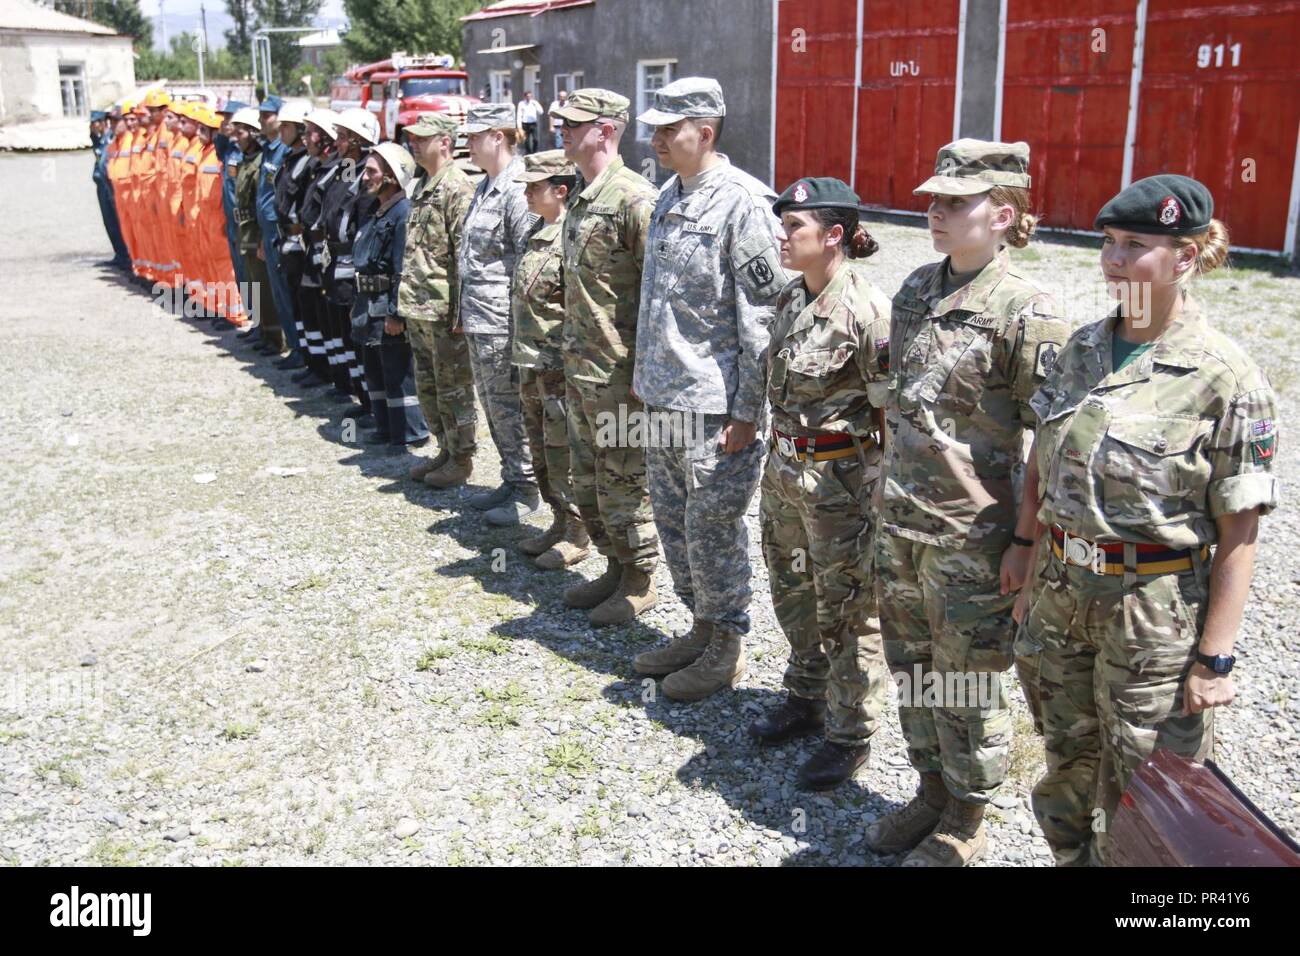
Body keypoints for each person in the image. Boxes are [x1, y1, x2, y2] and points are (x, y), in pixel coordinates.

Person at [1010, 175, 1279, 866]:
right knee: (1068, 764)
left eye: (1135, 245)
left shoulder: (1224, 378)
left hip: (1153, 615)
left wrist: (1215, 658)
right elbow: (1042, 451)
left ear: (1185, 257)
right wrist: (1023, 545)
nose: (1114, 260)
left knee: (1149, 791)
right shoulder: (1083, 348)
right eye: (1108, 243)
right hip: (1062, 594)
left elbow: (1239, 529)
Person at [867, 139, 1069, 866]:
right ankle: (929, 789)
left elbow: (1050, 441)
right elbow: (897, 403)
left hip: (973, 536)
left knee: (969, 678)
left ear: (1004, 214)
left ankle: (967, 815)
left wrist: (1024, 543)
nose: (936, 212)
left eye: (956, 202)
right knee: (914, 666)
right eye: (933, 199)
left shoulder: (1030, 312)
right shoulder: (916, 288)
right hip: (902, 525)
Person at [731, 177, 896, 790]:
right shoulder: (791, 297)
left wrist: (878, 496)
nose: (781, 235)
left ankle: (850, 734)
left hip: (841, 487)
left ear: (833, 236)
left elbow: (889, 414)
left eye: (794, 227)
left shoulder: (868, 312)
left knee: (849, 611)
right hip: (785, 473)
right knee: (794, 592)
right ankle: (806, 697)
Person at [631, 77, 784, 699]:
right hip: (664, 395)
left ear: (707, 132)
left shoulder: (746, 203)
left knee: (715, 526)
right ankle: (699, 624)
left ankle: (727, 644)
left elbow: (763, 320)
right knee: (673, 522)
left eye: (671, 128)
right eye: (657, 128)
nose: (658, 138)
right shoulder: (669, 193)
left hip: (716, 407)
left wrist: (747, 412)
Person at [554, 88, 660, 626]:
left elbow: (659, 292)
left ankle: (640, 579)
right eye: (563, 123)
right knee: (587, 477)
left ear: (608, 129)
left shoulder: (635, 199)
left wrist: (647, 369)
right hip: (581, 368)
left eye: (576, 124)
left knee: (624, 481)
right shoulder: (581, 195)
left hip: (621, 375)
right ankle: (615, 568)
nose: (564, 131)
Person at [456, 102, 541, 525]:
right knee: (492, 405)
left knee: (510, 407)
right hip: (479, 318)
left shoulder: (517, 188)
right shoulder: (486, 184)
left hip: (503, 323)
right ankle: (512, 478)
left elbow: (529, 259)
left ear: (499, 137)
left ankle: (527, 489)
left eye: (474, 136)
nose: (468, 144)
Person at [510, 150, 591, 568]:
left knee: (563, 450)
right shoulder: (534, 231)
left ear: (560, 191)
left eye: (533, 187)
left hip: (557, 365)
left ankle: (578, 530)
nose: (526, 193)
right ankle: (558, 519)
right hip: (530, 360)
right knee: (540, 448)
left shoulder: (572, 236)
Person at [399, 112, 480, 489]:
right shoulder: (422, 185)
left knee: (454, 385)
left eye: (422, 138)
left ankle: (461, 457)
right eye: (411, 138)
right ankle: (445, 449)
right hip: (419, 304)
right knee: (428, 384)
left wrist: (462, 310)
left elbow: (465, 255)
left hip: (444, 309)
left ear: (445, 142)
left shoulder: (457, 188)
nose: (413, 143)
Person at [352, 142, 429, 451]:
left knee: (398, 373)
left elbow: (402, 267)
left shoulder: (402, 214)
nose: (365, 177)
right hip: (368, 304)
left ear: (391, 177)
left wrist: (396, 312)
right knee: (376, 369)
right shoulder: (377, 209)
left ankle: (410, 432)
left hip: (386, 306)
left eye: (372, 172)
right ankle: (386, 427)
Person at [317, 108, 382, 415]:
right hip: (336, 266)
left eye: (343, 137)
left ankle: (371, 403)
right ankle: (357, 393)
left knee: (359, 337)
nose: (337, 142)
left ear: (358, 141)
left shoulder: (366, 179)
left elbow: (364, 228)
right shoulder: (344, 171)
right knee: (344, 334)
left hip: (352, 268)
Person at [289, 108, 341, 384]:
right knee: (310, 309)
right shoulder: (314, 167)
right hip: (310, 250)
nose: (305, 138)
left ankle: (332, 373)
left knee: (326, 315)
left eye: (310, 132)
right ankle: (317, 365)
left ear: (326, 137)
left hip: (324, 255)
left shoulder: (336, 170)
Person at [230, 107, 285, 356]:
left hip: (256, 229)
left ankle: (275, 338)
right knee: (253, 284)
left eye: (241, 131)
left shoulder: (263, 159)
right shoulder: (245, 160)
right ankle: (262, 330)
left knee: (264, 286)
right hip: (246, 230)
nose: (236, 136)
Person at [271, 100, 315, 371]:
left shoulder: (307, 164)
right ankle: (300, 350)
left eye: (286, 127)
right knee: (295, 301)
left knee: (305, 303)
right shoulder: (290, 160)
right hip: (286, 239)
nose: (281, 132)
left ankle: (308, 355)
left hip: (301, 243)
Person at [91, 107, 131, 270]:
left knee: (121, 224)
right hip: (104, 185)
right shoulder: (105, 139)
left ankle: (127, 258)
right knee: (110, 223)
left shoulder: (115, 139)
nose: (112, 124)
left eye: (116, 120)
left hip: (117, 188)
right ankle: (120, 255)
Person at [516, 90, 545, 154]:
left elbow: (541, 112)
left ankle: (534, 151)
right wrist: (519, 126)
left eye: (530, 96)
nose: (528, 98)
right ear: (525, 96)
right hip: (525, 123)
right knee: (526, 140)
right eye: (527, 96)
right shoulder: (521, 104)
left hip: (533, 123)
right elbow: (519, 115)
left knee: (535, 139)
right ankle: (528, 152)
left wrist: (536, 105)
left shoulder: (534, 103)